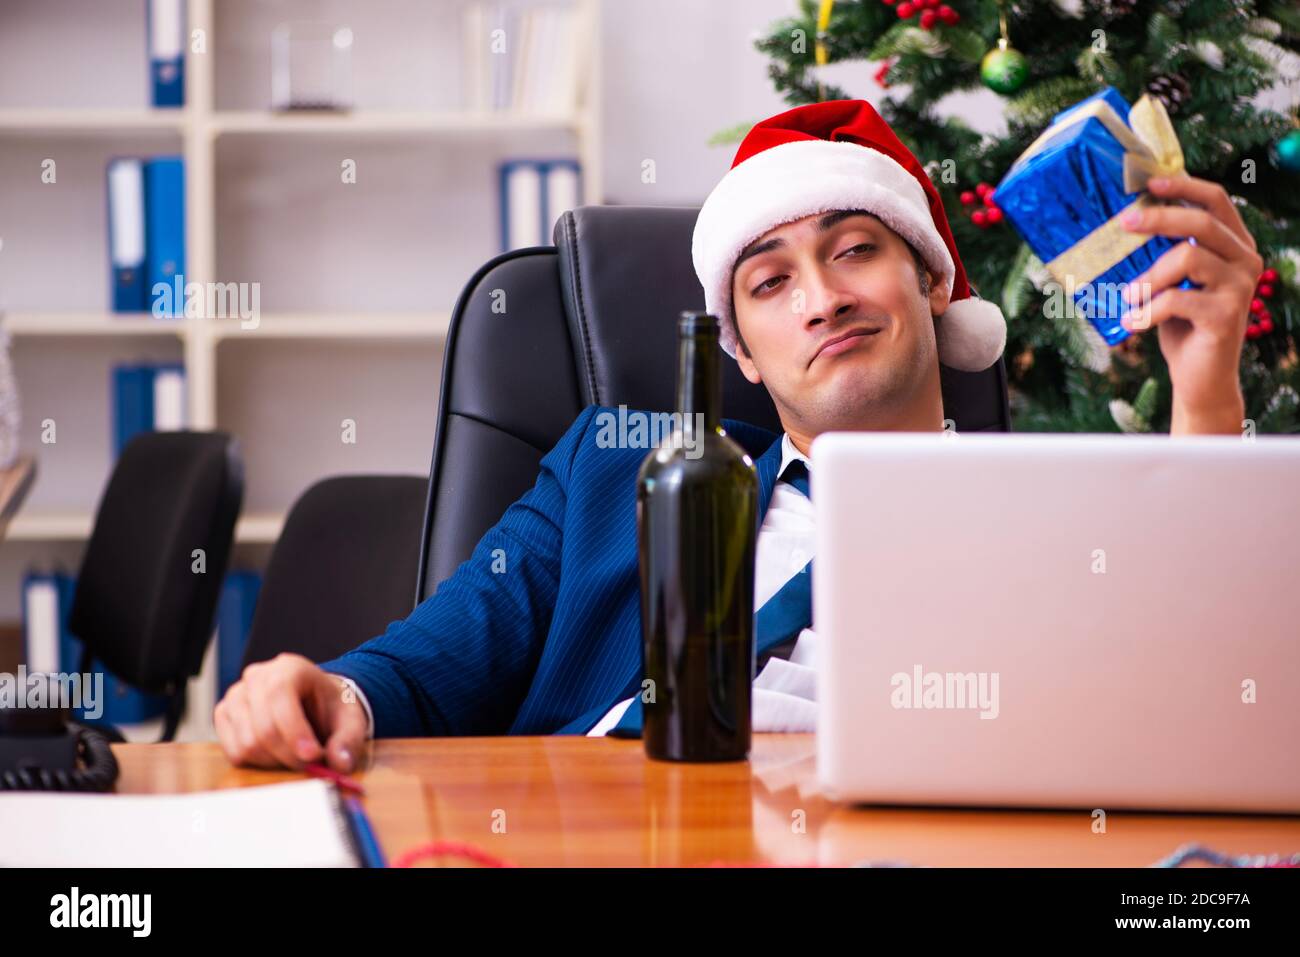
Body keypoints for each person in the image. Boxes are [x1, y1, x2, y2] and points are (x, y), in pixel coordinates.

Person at [215, 99, 1263, 771]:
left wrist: (1205, 388)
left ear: (935, 288)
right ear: (746, 354)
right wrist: (332, 690)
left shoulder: (1063, 523)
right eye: (770, 282)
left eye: (855, 249)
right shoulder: (614, 470)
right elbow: (438, 659)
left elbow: (1200, 706)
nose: (820, 299)